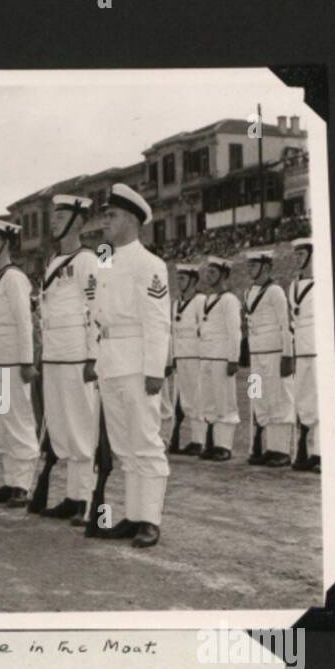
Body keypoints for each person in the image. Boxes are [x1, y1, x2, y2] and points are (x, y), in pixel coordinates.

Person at [84, 183, 171, 548]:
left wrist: (155, 369)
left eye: (113, 215)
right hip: (109, 360)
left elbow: (157, 320)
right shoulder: (104, 258)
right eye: (105, 214)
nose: (106, 220)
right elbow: (93, 313)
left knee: (146, 441)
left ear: (133, 220)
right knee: (123, 445)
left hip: (137, 361)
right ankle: (134, 515)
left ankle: (150, 520)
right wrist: (93, 357)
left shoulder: (149, 263)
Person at [36, 194, 100, 520]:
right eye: (54, 216)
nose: (55, 221)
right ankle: (72, 497)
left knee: (81, 426)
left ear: (78, 221)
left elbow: (95, 309)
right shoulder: (52, 262)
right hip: (54, 354)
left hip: (77, 355)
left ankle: (86, 500)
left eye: (62, 216)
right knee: (61, 427)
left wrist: (93, 357)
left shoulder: (87, 259)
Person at [0, 218, 37, 505]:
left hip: (12, 361)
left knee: (18, 421)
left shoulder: (14, 277)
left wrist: (27, 361)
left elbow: (24, 322)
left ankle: (23, 485)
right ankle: (10, 480)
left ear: (5, 242)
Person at [243, 249, 295, 467]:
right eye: (249, 265)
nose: (250, 269)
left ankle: (280, 450)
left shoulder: (275, 292)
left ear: (265, 267)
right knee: (258, 397)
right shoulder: (248, 292)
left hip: (274, 353)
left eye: (254, 265)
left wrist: (287, 355)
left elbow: (285, 324)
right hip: (256, 355)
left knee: (278, 399)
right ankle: (263, 446)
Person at [196, 255, 242, 461]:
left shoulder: (229, 300)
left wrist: (233, 358)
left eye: (213, 272)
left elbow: (234, 331)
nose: (208, 275)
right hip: (207, 356)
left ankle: (224, 445)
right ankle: (212, 442)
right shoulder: (208, 299)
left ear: (224, 275)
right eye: (207, 271)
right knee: (209, 401)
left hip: (222, 357)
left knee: (225, 402)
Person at [288, 237, 321, 472]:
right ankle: (305, 450)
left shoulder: (324, 281)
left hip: (318, 351)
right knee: (303, 401)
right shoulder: (293, 286)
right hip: (299, 351)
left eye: (301, 255)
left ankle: (320, 453)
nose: (297, 259)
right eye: (296, 255)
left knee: (321, 401)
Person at [168, 264, 207, 455]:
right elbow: (173, 332)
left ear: (193, 280)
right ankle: (190, 439)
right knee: (184, 400)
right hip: (181, 356)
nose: (179, 282)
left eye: (183, 278)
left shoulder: (200, 301)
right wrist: (173, 355)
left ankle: (199, 440)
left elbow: (204, 331)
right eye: (178, 278)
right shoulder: (176, 303)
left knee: (197, 398)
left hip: (196, 356)